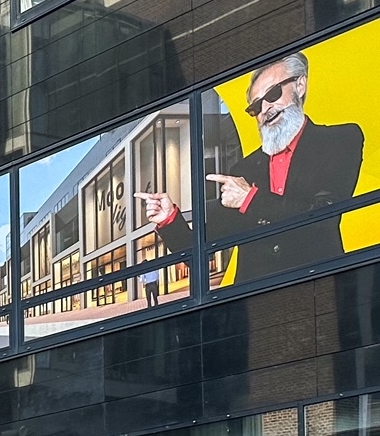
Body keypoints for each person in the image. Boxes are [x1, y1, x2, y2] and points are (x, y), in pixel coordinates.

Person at [139, 50, 365, 287]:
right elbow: (199, 253)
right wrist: (169, 220)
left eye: (273, 94)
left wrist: (251, 199)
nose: (265, 109)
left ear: (300, 85)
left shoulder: (340, 139)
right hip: (255, 307)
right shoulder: (243, 170)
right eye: (256, 107)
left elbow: (322, 219)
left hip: (322, 293)